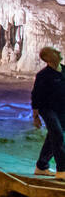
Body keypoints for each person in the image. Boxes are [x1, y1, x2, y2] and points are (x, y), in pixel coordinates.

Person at [31, 46, 65, 177]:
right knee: (57, 134)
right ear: (48, 59)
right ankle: (62, 170)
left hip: (62, 109)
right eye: (55, 53)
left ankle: (41, 166)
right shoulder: (43, 75)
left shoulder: (64, 70)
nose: (58, 53)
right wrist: (36, 116)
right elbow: (36, 95)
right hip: (47, 109)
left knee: (53, 136)